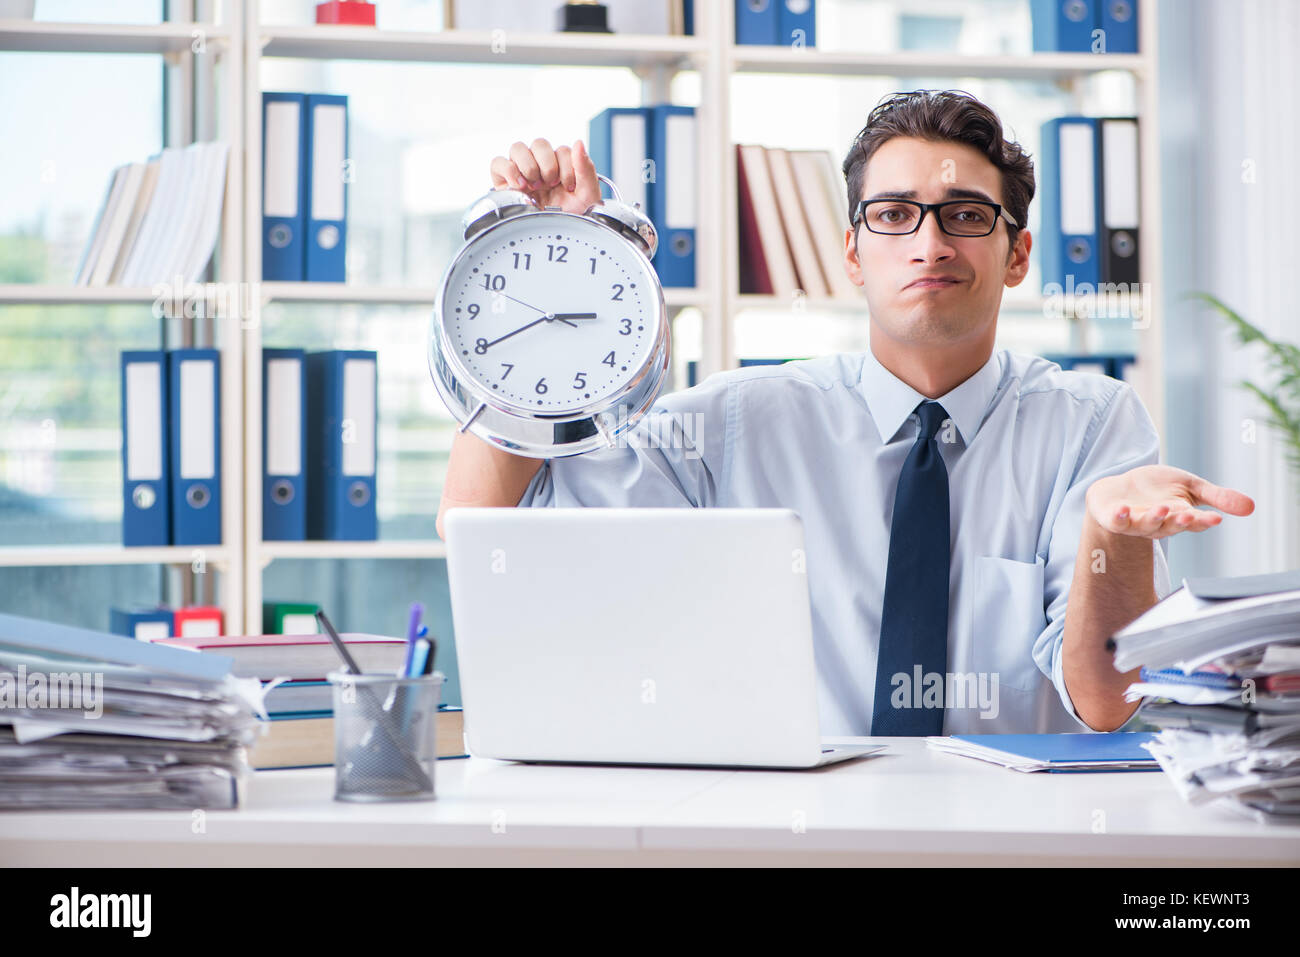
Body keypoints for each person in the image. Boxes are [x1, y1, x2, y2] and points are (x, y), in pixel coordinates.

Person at [436, 89, 1255, 736]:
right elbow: (482, 527)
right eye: (894, 215)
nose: (930, 243)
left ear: (1018, 256)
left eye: (967, 215)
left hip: (1010, 837)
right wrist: (551, 260)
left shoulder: (1092, 424)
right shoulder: (732, 423)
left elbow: (1105, 701)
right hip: (796, 834)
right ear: (854, 253)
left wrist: (1110, 539)